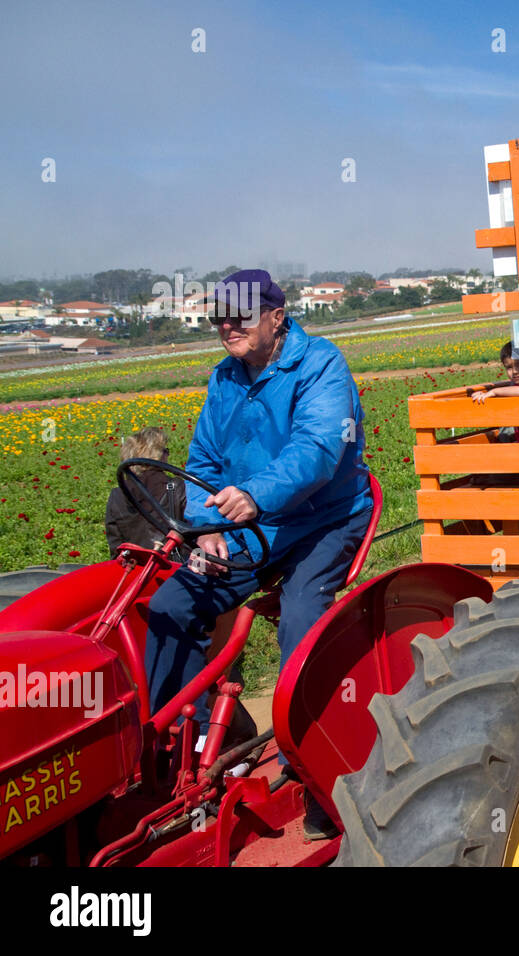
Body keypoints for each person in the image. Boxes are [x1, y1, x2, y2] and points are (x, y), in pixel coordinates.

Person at [144, 270, 372, 807]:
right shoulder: (224, 379)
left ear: (276, 315)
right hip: (248, 526)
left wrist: (254, 493)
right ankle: (191, 741)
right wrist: (206, 526)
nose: (227, 326)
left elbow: (318, 448)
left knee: (299, 625)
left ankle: (319, 767)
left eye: (239, 315)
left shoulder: (319, 365)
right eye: (218, 317)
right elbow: (201, 463)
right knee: (172, 604)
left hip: (323, 518)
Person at [105, 426, 186, 556]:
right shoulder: (177, 487)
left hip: (135, 568)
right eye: (165, 451)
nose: (168, 454)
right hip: (173, 569)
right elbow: (195, 538)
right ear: (157, 456)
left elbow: (116, 548)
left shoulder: (117, 495)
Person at [473, 341, 519, 443]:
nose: (515, 371)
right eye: (509, 367)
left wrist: (494, 392)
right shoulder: (514, 385)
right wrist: (485, 395)